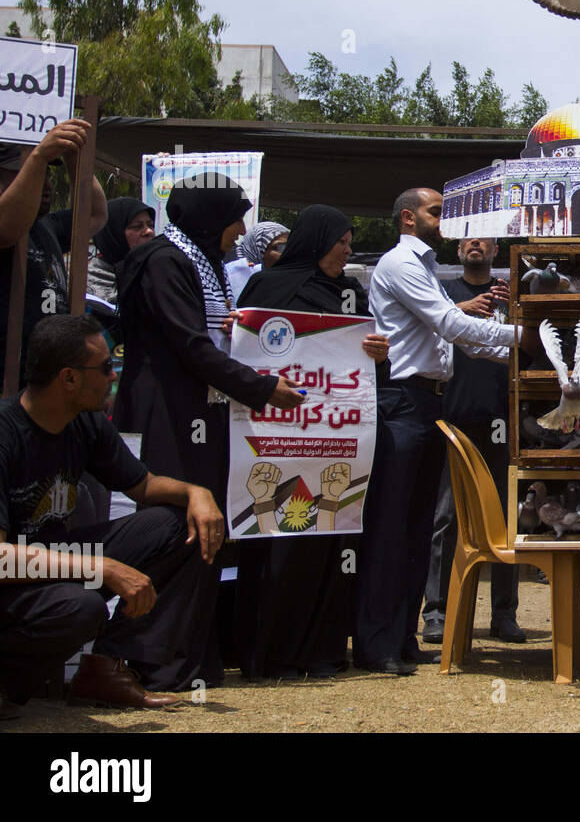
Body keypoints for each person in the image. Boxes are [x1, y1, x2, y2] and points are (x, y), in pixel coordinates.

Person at [113, 176, 304, 690]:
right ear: (208, 218)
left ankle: (188, 658)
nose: (241, 230)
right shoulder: (164, 263)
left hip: (197, 412)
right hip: (169, 416)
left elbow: (207, 338)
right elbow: (190, 346)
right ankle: (148, 659)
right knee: (177, 528)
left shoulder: (196, 264)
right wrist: (262, 388)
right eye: (234, 218)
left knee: (204, 532)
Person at [0, 315, 227, 714]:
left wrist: (198, 493)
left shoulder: (84, 422)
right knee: (80, 606)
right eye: (105, 367)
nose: (113, 376)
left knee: (179, 525)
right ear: (68, 378)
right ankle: (8, 688)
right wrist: (99, 567)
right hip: (11, 578)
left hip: (49, 562)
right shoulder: (5, 434)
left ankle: (104, 668)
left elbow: (143, 486)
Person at [357, 187, 531, 676]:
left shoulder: (426, 268)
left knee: (414, 527)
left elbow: (461, 343)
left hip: (429, 402)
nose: (447, 218)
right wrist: (526, 338)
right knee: (396, 526)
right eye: (439, 211)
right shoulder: (400, 263)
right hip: (404, 401)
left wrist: (530, 352)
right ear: (409, 218)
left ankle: (402, 636)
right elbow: (451, 326)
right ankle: (377, 642)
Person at [233, 205, 389, 679]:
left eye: (348, 241)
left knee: (326, 538)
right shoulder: (268, 287)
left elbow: (360, 357)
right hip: (278, 442)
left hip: (331, 439)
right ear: (316, 240)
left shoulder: (347, 293)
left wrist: (375, 353)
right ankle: (268, 653)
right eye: (339, 241)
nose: (346, 250)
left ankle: (319, 650)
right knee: (277, 538)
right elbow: (244, 351)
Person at [422, 236, 524, 646]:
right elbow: (429, 334)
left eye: (483, 238)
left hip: (504, 421)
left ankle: (504, 614)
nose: (475, 243)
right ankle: (437, 612)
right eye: (467, 238)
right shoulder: (441, 295)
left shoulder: (509, 293)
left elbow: (529, 341)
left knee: (506, 520)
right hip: (454, 421)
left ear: (497, 248)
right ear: (458, 248)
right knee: (446, 519)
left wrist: (516, 305)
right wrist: (458, 312)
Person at [0, 120, 108, 382]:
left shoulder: (48, 226)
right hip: (7, 381)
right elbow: (7, 228)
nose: (45, 182)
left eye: (47, 172)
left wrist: (73, 153)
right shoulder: (10, 224)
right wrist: (38, 156)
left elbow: (94, 213)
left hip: (44, 382)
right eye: (27, 171)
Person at [87, 198, 155, 305]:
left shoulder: (157, 275)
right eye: (137, 226)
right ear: (114, 234)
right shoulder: (85, 290)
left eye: (150, 225)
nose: (149, 231)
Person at [226, 221, 289, 302]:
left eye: (288, 247)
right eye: (279, 248)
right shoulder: (227, 276)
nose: (286, 253)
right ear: (257, 247)